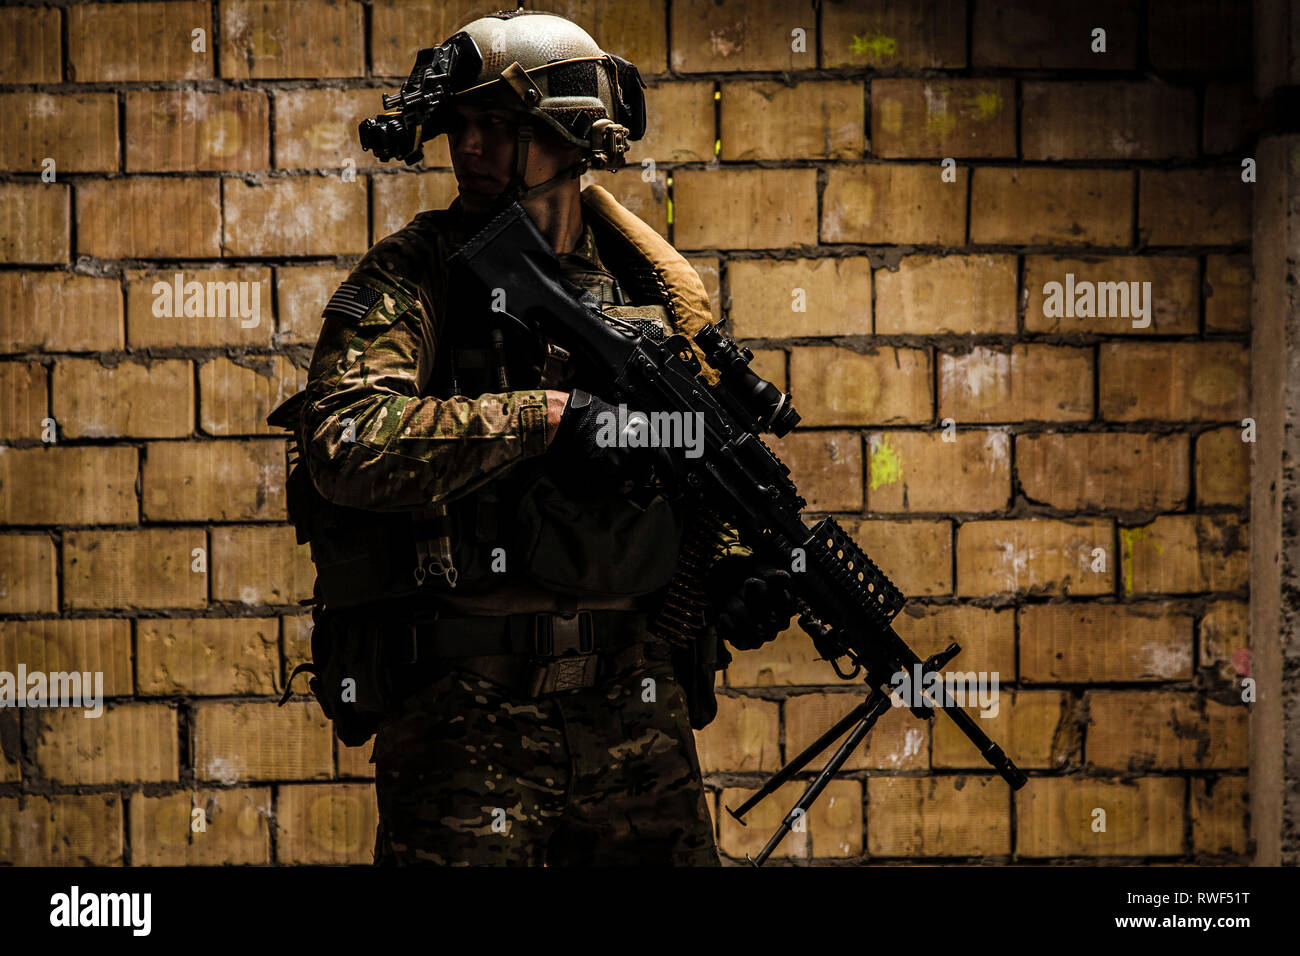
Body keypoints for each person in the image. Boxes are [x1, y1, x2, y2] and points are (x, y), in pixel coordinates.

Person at [275, 9, 798, 866]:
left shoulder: (650, 289)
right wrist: (548, 419)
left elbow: (693, 464)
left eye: (498, 127)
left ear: (568, 134)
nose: (469, 148)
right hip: (468, 707)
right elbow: (345, 437)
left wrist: (735, 567)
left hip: (637, 707)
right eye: (462, 126)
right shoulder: (417, 274)